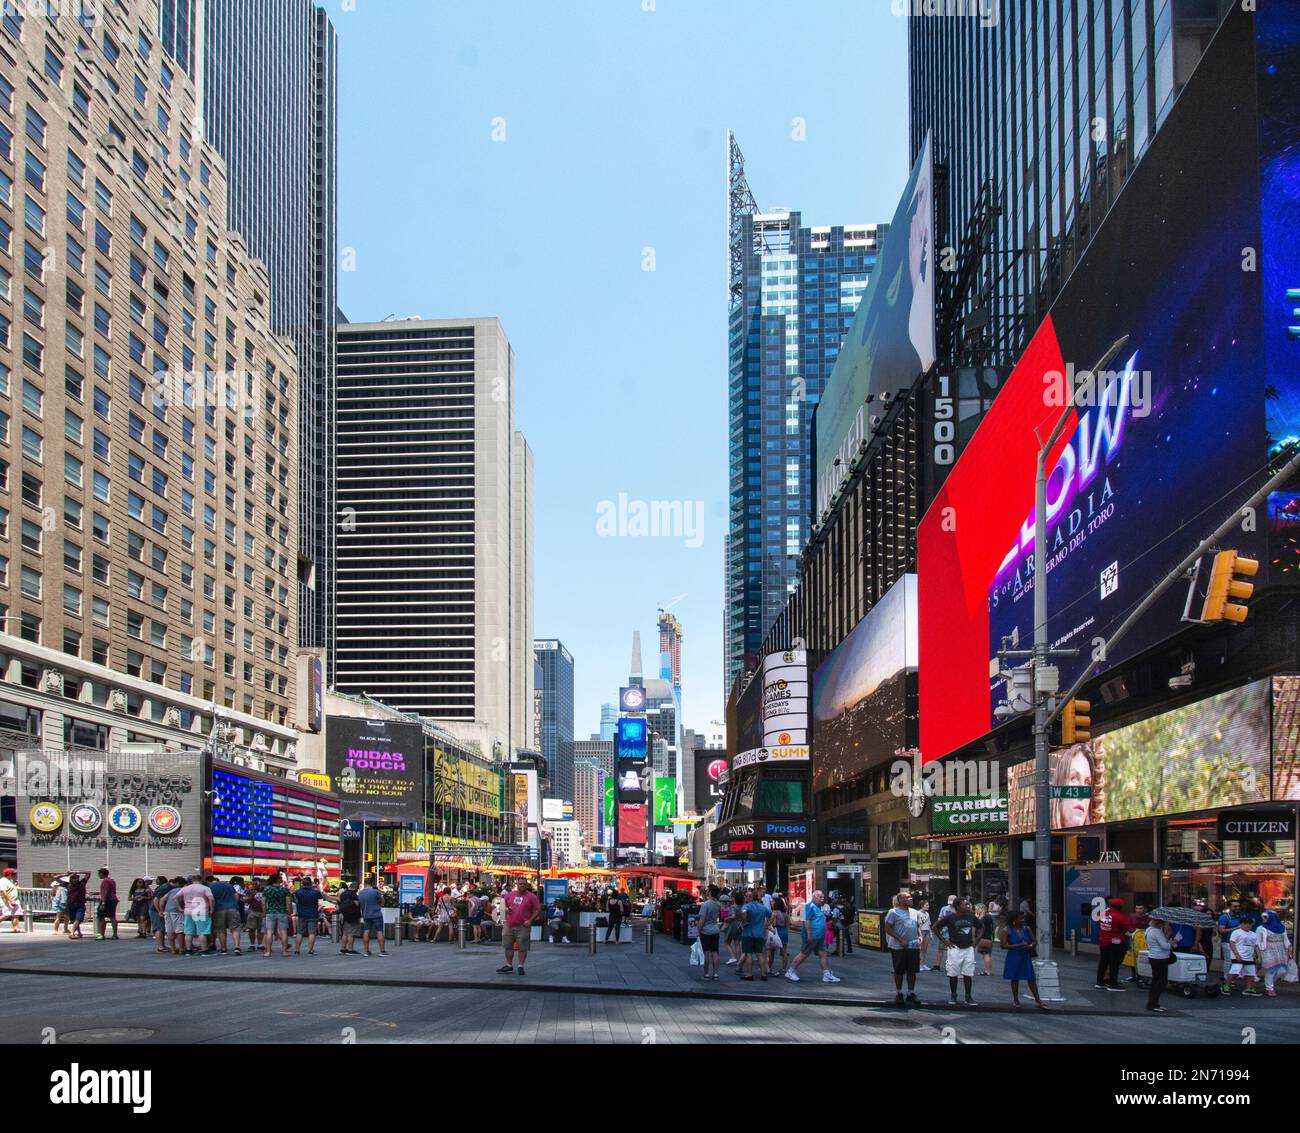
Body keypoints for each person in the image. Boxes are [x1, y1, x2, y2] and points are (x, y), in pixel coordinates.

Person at [785, 889, 841, 983]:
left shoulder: (818, 906)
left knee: (822, 953)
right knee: (804, 953)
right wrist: (809, 934)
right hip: (812, 936)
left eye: (823, 896)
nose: (822, 898)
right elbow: (807, 921)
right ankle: (790, 971)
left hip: (818, 936)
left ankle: (826, 974)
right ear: (814, 897)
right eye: (820, 897)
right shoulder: (810, 906)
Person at [883, 890, 923, 1007]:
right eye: (907, 897)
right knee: (899, 970)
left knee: (912, 970)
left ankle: (911, 993)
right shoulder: (893, 912)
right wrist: (900, 940)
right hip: (899, 947)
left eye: (910, 897)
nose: (910, 899)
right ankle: (899, 993)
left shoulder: (915, 912)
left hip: (913, 945)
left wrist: (920, 936)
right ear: (900, 900)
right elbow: (887, 928)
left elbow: (917, 926)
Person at [939, 897, 980, 1006]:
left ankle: (968, 996)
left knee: (968, 973)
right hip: (955, 948)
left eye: (968, 904)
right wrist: (945, 941)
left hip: (968, 948)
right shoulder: (950, 917)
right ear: (957, 906)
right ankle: (953, 995)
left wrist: (977, 939)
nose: (968, 906)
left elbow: (981, 926)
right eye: (965, 904)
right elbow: (935, 927)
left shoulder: (971, 917)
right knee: (953, 973)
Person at [999, 909, 1043, 1009]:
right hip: (1014, 956)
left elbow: (1034, 941)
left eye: (1022, 918)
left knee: (1031, 978)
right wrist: (1018, 945)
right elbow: (1003, 945)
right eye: (1020, 918)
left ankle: (1038, 1000)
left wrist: (1031, 945)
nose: (1022, 920)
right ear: (1014, 920)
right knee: (1014, 978)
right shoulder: (1007, 930)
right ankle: (1016, 999)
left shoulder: (1027, 929)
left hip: (1025, 956)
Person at [499, 879, 540, 975]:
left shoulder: (531, 896)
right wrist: (505, 909)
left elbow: (537, 909)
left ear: (527, 885)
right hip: (509, 924)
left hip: (523, 926)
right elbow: (502, 905)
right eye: (520, 884)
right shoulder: (510, 895)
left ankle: (521, 965)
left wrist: (530, 920)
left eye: (524, 884)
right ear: (517, 884)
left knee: (522, 947)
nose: (522, 885)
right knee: (507, 946)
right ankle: (509, 965)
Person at [1095, 898, 1130, 991]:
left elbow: (1099, 925)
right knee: (1114, 963)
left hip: (1103, 942)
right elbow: (1129, 928)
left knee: (1103, 962)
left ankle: (1100, 982)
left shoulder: (1102, 914)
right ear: (1120, 907)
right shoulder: (1121, 917)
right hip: (1116, 943)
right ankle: (1113, 984)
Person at [174, 873, 213, 956]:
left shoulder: (185, 888)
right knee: (202, 932)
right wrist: (212, 909)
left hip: (188, 911)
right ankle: (204, 950)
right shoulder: (205, 888)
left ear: (191, 881)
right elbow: (211, 899)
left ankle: (188, 950)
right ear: (201, 880)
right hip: (201, 911)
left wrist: (179, 908)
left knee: (188, 932)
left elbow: (175, 897)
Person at [1256, 910, 1293, 997]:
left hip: (1281, 950)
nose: (1263, 919)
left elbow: (1286, 940)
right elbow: (1257, 942)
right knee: (1271, 970)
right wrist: (1258, 956)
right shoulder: (1261, 928)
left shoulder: (1282, 927)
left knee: (1282, 970)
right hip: (1267, 950)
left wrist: (1289, 948)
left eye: (1265, 917)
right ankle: (1269, 988)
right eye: (1263, 917)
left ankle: (1269, 984)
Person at [738, 887, 771, 981]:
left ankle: (749, 974)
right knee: (760, 954)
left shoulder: (747, 906)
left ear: (752, 897)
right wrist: (767, 924)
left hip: (748, 933)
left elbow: (743, 912)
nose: (747, 898)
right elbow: (771, 915)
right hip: (759, 934)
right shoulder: (763, 907)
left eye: (749, 896)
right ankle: (763, 974)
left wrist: (744, 922)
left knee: (748, 954)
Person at [1144, 912, 1173, 1014]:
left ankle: (1153, 1003)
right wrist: (1174, 942)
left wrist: (1167, 935)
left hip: (1153, 956)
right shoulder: (1156, 932)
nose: (1163, 924)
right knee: (1161, 982)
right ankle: (1152, 1004)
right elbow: (1165, 946)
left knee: (1156, 980)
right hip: (1160, 958)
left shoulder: (1148, 930)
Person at [1227, 918, 1262, 996]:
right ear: (1241, 924)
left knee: (1250, 973)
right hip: (1238, 955)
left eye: (1250, 924)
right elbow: (1232, 943)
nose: (1248, 925)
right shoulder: (1236, 932)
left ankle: (1248, 988)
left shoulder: (1253, 934)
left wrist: (1259, 957)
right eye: (1246, 923)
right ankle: (1226, 985)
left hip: (1249, 956)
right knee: (1235, 971)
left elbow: (1256, 946)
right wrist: (1236, 954)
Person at [262, 871, 293, 958]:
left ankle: (268, 951)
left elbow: (263, 903)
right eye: (280, 878)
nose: (282, 879)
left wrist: (264, 913)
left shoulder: (267, 889)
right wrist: (289, 913)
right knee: (283, 932)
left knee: (269, 932)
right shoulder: (284, 890)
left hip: (270, 912)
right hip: (282, 912)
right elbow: (288, 902)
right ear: (277, 880)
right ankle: (284, 951)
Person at [208, 873, 241, 955]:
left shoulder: (211, 888)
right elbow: (236, 895)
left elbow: (211, 900)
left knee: (221, 930)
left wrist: (211, 909)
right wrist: (235, 904)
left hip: (219, 909)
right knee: (235, 929)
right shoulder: (228, 885)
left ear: (209, 882)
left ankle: (223, 948)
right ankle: (237, 947)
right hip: (232, 908)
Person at [292, 876, 324, 956]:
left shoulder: (298, 892)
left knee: (299, 932)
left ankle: (297, 950)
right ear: (311, 883)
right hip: (313, 914)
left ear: (302, 883)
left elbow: (295, 900)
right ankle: (310, 950)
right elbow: (321, 897)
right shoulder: (315, 892)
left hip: (301, 914)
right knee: (312, 933)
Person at [697, 885, 722, 982]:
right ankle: (715, 973)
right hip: (715, 930)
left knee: (706, 953)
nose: (707, 892)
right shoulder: (718, 904)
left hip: (706, 931)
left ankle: (706, 973)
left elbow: (702, 919)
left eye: (708, 890)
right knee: (715, 952)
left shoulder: (705, 905)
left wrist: (698, 931)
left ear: (710, 892)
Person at [357, 876, 386, 957]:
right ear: (372, 883)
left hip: (366, 914)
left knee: (366, 931)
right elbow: (382, 902)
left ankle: (366, 951)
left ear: (364, 884)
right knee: (379, 931)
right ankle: (382, 951)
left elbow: (359, 903)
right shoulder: (375, 892)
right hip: (376, 914)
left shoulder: (360, 892)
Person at [158, 875, 186, 954]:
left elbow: (162, 900)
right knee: (179, 930)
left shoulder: (171, 891)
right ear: (182, 884)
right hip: (177, 911)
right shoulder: (182, 890)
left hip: (167, 911)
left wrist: (161, 910)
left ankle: (173, 949)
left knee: (170, 930)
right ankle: (181, 948)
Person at [1122, 904, 1150, 983]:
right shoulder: (1131, 916)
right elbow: (1128, 927)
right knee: (1133, 958)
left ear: (1145, 909)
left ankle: (1143, 976)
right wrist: (1128, 933)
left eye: (1140, 908)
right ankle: (1133, 975)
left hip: (1145, 940)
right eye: (1137, 908)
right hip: (1133, 939)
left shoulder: (1148, 918)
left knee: (1143, 958)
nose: (1138, 910)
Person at [767, 892, 790, 976]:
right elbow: (788, 924)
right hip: (784, 932)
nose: (771, 903)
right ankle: (784, 968)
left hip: (776, 932)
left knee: (772, 951)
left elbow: (769, 923)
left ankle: (769, 968)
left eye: (773, 902)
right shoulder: (785, 914)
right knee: (784, 951)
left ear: (776, 904)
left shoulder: (774, 913)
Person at [336, 881, 361, 955]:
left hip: (344, 915)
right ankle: (350, 949)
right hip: (352, 916)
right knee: (351, 933)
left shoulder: (343, 894)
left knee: (345, 933)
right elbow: (357, 904)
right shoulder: (354, 895)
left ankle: (343, 948)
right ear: (356, 888)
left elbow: (339, 901)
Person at [95, 867, 119, 941]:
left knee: (101, 917)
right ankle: (115, 934)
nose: (98, 875)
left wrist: (103, 902)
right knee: (112, 917)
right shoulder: (112, 880)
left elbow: (106, 891)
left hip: (107, 900)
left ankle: (101, 934)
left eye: (99, 874)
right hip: (113, 899)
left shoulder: (105, 881)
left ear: (102, 874)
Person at [65, 871, 88, 939]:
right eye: (74, 878)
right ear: (71, 879)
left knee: (78, 918)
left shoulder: (82, 883)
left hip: (80, 904)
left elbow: (88, 873)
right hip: (71, 904)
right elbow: (55, 878)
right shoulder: (68, 885)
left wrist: (77, 872)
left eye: (77, 878)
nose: (76, 879)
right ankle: (79, 933)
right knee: (74, 919)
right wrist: (66, 874)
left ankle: (72, 933)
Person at [243, 879, 265, 954]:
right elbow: (245, 901)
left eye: (257, 883)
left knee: (260, 929)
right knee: (251, 929)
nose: (256, 885)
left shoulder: (265, 891)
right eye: (254, 884)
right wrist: (252, 895)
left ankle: (260, 944)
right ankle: (252, 944)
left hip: (262, 912)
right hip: (253, 911)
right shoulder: (249, 891)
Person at [721, 891, 742, 965]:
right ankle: (739, 961)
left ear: (734, 898)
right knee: (737, 943)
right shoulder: (741, 906)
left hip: (732, 925)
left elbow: (733, 916)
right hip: (739, 925)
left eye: (731, 897)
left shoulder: (733, 906)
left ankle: (732, 957)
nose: (730, 898)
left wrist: (727, 918)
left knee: (727, 942)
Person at [975, 902, 996, 977]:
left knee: (985, 954)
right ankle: (988, 970)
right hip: (989, 937)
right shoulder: (989, 917)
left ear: (980, 909)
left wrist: (977, 918)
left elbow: (978, 925)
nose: (975, 911)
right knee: (988, 954)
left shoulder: (982, 918)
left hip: (983, 937)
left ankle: (987, 971)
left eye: (976, 909)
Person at [0, 868, 22, 932]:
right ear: (10, 874)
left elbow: (16, 887)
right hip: (7, 901)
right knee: (5, 915)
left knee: (16, 914)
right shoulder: (3, 881)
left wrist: (26, 889)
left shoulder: (10, 880)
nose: (15, 875)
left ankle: (15, 928)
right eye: (14, 874)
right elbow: (4, 892)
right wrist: (10, 900)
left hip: (15, 900)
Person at [916, 899, 933, 971]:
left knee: (924, 950)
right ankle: (918, 964)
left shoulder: (927, 914)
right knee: (920, 949)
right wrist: (918, 934)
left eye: (928, 905)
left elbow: (929, 924)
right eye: (927, 905)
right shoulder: (918, 913)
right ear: (922, 906)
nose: (928, 906)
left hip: (927, 932)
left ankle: (922, 964)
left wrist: (931, 933)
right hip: (921, 932)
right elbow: (917, 924)